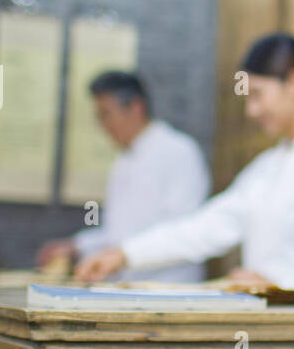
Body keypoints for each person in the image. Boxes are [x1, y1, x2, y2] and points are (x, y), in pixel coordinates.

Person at [75, 33, 294, 290]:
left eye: (257, 95)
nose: (251, 111)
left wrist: (283, 286)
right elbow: (208, 227)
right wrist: (126, 254)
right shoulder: (268, 166)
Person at [36, 71, 210, 282]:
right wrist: (76, 246)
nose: (102, 126)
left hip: (168, 288)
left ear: (135, 107)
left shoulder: (180, 152)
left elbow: (183, 230)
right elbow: (117, 233)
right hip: (124, 287)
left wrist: (126, 254)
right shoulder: (123, 162)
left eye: (106, 114)